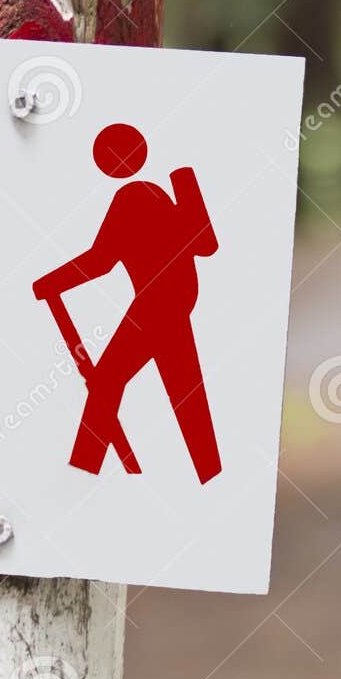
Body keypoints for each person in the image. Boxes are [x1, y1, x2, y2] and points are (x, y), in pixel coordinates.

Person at [31, 123, 222, 482]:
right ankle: (210, 475)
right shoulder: (156, 194)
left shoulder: (134, 199)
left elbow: (100, 261)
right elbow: (204, 246)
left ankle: (82, 475)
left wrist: (50, 283)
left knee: (107, 381)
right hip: (177, 301)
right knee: (185, 389)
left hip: (157, 303)